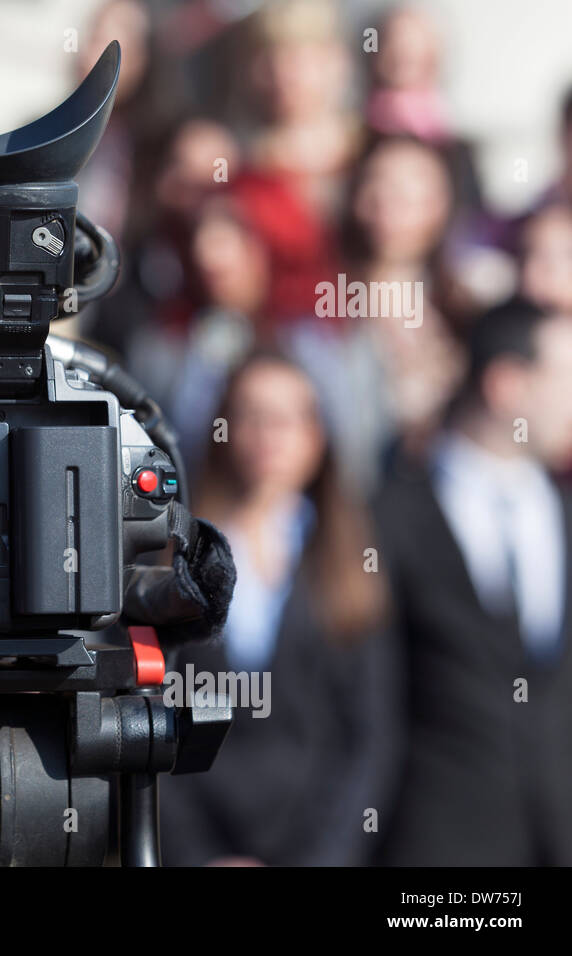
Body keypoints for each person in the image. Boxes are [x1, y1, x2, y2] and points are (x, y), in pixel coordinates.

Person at [160, 352, 399, 866]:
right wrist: (199, 856)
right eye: (253, 415)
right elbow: (150, 719)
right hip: (200, 842)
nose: (271, 435)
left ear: (318, 435)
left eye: (289, 418)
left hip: (311, 843)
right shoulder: (180, 557)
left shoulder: (350, 562)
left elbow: (368, 737)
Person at [376, 297, 572, 865]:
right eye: (565, 378)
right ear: (507, 385)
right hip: (439, 859)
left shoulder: (563, 511)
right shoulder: (388, 519)